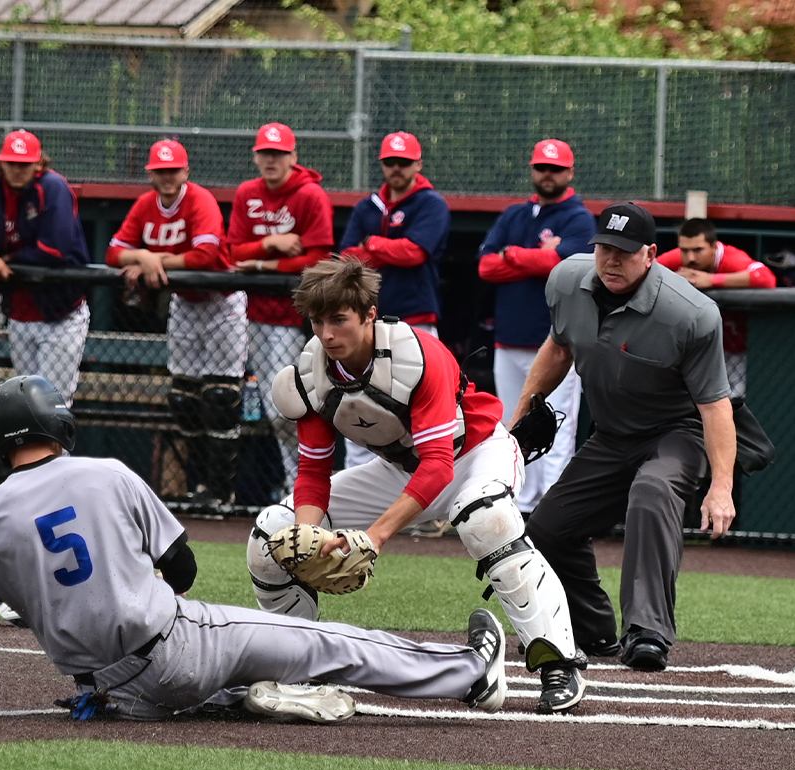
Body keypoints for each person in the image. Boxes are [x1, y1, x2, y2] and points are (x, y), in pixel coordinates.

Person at [0, 375, 509, 723]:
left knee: (218, 665)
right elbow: (183, 568)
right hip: (177, 647)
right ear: (56, 422)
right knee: (325, 641)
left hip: (112, 693)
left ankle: (253, 694)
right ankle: (469, 673)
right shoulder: (107, 473)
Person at [249, 257, 586, 713]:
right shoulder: (309, 376)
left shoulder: (417, 355)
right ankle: (297, 662)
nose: (327, 334)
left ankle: (560, 664)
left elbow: (439, 467)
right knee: (273, 532)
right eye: (317, 321)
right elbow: (313, 472)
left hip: (476, 452)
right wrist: (308, 536)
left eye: (339, 320)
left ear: (369, 315)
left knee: (485, 516)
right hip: (401, 468)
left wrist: (374, 538)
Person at [515, 203, 737, 673]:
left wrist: (721, 486)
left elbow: (715, 406)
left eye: (624, 251)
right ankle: (593, 630)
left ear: (652, 254)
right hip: (614, 436)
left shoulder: (692, 313)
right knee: (547, 530)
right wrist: (517, 424)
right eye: (604, 249)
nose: (611, 260)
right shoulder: (565, 281)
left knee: (652, 490)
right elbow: (559, 348)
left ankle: (648, 631)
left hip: (677, 433)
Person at [107, 139, 245, 506]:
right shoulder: (145, 204)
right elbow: (112, 251)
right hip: (184, 302)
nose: (167, 177)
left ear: (186, 172)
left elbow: (206, 255)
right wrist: (141, 256)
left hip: (221, 302)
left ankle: (222, 490)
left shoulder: (199, 200)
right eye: (160, 171)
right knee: (184, 398)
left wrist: (155, 261)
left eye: (173, 170)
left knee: (220, 397)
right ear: (150, 173)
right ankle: (198, 484)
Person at [477, 139, 596, 513]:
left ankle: (553, 506)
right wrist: (534, 257)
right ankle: (518, 502)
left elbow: (569, 263)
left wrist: (512, 256)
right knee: (512, 425)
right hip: (508, 340)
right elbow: (484, 265)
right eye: (542, 167)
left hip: (556, 344)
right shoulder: (514, 214)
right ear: (532, 170)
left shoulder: (578, 216)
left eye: (555, 168)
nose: (548, 174)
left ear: (569, 173)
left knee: (556, 427)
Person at [228, 122, 334, 484]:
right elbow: (233, 251)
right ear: (256, 156)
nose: (270, 160)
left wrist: (263, 264)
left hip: (298, 318)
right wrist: (272, 244)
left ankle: (305, 482)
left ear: (293, 157)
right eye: (264, 153)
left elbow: (319, 257)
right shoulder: (247, 193)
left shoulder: (309, 195)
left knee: (288, 407)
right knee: (276, 408)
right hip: (256, 313)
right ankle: (294, 483)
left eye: (278, 153)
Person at [339, 132, 450, 469]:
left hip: (415, 317)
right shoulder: (367, 205)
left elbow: (415, 252)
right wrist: (389, 249)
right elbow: (345, 257)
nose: (397, 168)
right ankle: (359, 491)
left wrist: (372, 244)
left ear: (418, 163)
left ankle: (423, 495)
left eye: (404, 162)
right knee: (358, 404)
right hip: (367, 324)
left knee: (420, 406)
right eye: (391, 162)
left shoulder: (431, 203)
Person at [0, 130, 90, 401]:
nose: (18, 170)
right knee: (26, 403)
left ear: (38, 164)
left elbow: (55, 249)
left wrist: (8, 259)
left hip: (61, 314)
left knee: (52, 402)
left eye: (25, 164)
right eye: (12, 163)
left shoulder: (53, 187)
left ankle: (55, 446)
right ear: (1, 163)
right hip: (20, 314)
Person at [654, 217, 776, 400]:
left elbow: (766, 279)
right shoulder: (678, 259)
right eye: (685, 250)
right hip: (700, 350)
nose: (690, 258)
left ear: (713, 246)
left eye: (698, 250)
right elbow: (645, 272)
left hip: (739, 351)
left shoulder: (730, 258)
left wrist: (711, 280)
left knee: (735, 403)